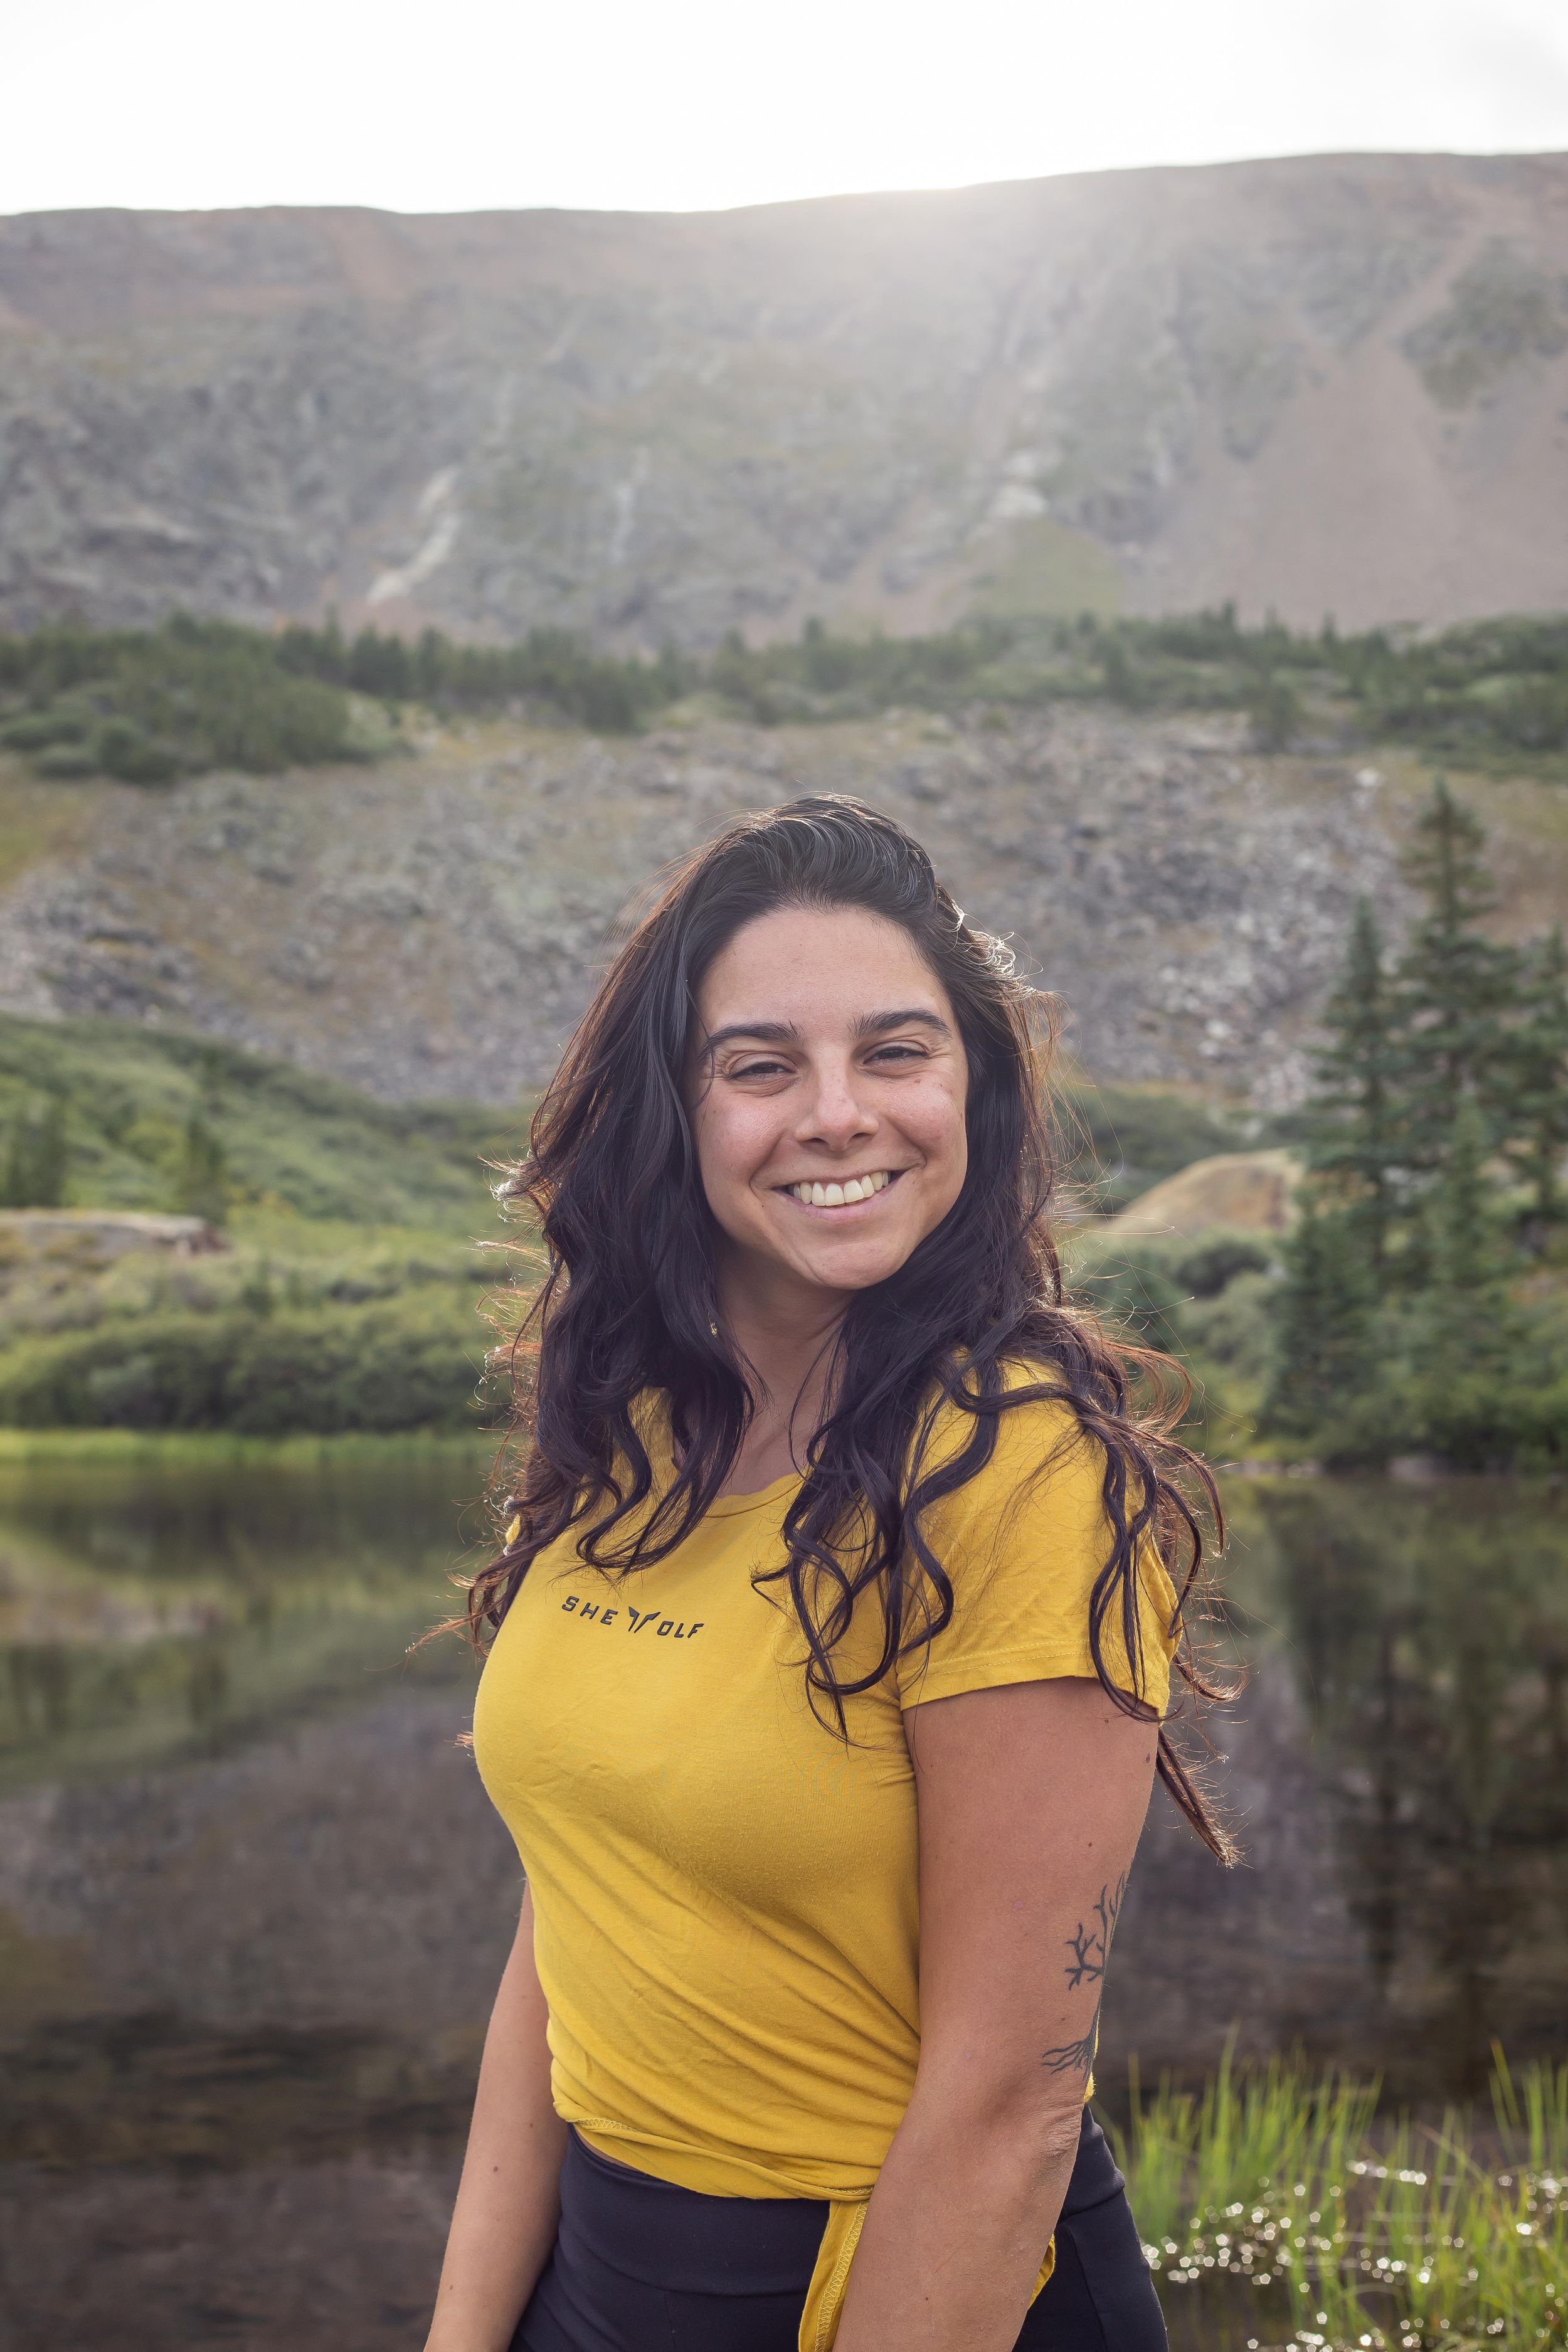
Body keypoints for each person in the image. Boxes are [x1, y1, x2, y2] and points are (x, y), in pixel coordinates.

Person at [425, 796, 1231, 2352]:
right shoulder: (640, 1430)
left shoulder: (1019, 1478)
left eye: (895, 1052)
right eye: (760, 1066)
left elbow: (1006, 2116)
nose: (837, 1113)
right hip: (592, 2283)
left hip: (894, 2293)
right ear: (674, 1113)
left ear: (972, 1096)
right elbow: (572, 1921)